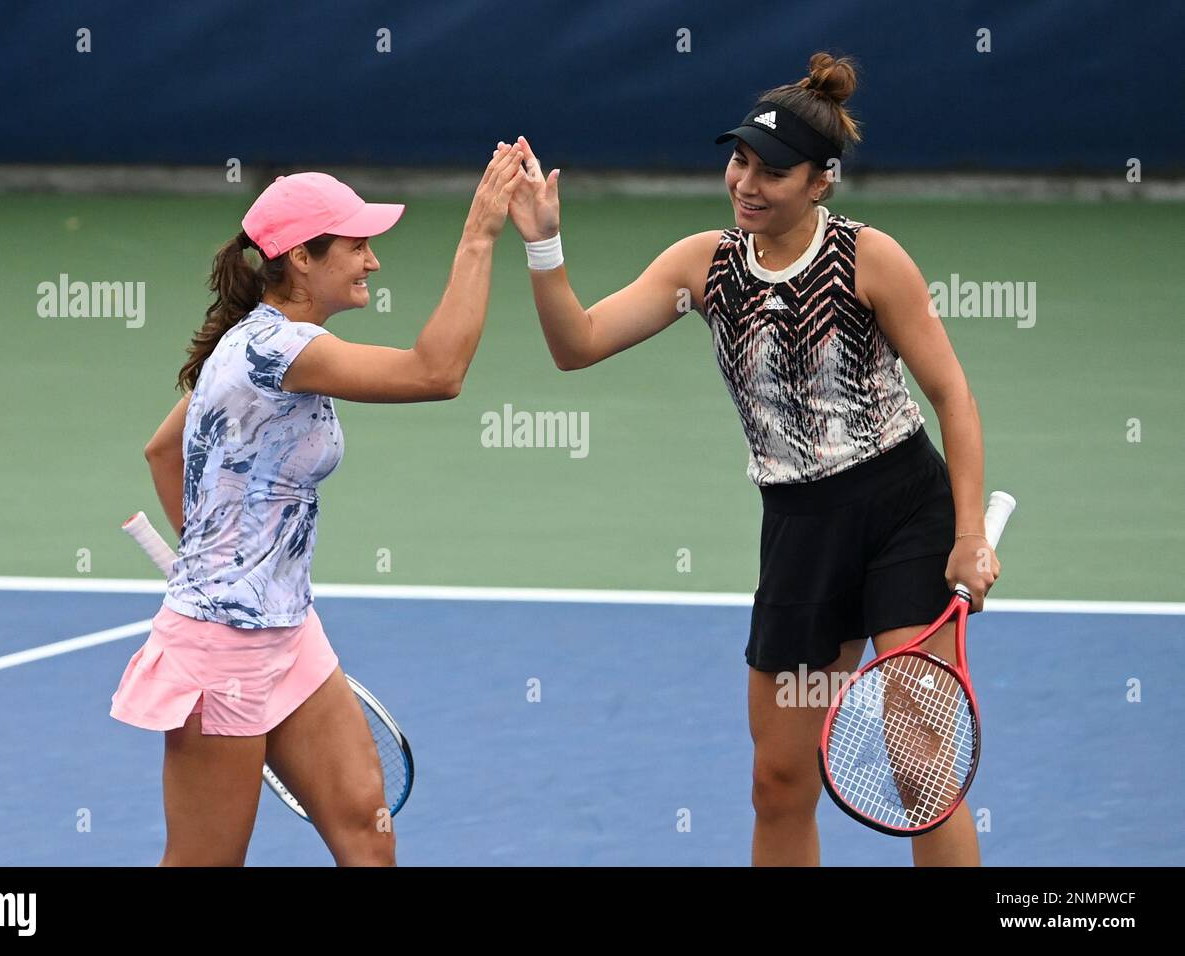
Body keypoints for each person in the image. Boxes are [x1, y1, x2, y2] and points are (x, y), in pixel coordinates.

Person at [506, 53, 999, 866]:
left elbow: (954, 397)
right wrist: (544, 245)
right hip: (800, 529)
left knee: (920, 768)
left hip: (903, 511)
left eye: (773, 170)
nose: (746, 182)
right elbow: (578, 345)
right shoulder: (702, 266)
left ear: (820, 181)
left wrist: (969, 533)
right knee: (777, 782)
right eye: (739, 160)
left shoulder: (872, 260)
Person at [111, 145, 526, 866]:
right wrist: (481, 234)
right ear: (302, 257)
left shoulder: (253, 346)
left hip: (289, 631)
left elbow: (161, 452)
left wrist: (220, 555)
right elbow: (437, 372)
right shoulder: (274, 352)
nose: (372, 261)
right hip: (223, 648)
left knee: (368, 835)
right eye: (358, 245)